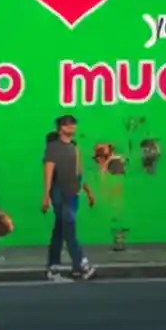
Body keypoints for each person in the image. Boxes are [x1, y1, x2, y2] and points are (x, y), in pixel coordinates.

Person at [43, 115, 96, 279]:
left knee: (60, 230)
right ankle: (82, 264)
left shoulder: (74, 147)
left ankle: (54, 267)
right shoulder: (52, 147)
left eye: (74, 124)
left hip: (74, 194)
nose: (72, 126)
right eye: (68, 124)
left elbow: (79, 172)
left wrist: (88, 191)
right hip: (59, 193)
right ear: (61, 128)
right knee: (69, 230)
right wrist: (46, 196)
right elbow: (48, 172)